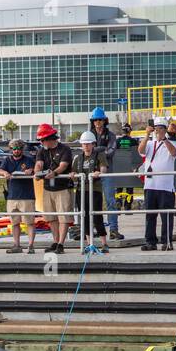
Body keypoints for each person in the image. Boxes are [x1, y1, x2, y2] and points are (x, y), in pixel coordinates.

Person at [139, 116, 176, 250]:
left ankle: (167, 241)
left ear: (165, 129)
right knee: (150, 215)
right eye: (156, 129)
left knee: (166, 215)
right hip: (150, 186)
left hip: (166, 186)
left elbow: (174, 153)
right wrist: (146, 135)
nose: (158, 132)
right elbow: (141, 151)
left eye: (161, 129)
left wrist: (165, 140)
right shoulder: (150, 143)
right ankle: (150, 241)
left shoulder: (172, 143)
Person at [33, 124, 74, 255]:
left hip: (62, 188)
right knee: (51, 218)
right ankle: (55, 241)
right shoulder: (42, 150)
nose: (41, 142)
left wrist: (54, 173)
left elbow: (63, 165)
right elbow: (38, 164)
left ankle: (61, 243)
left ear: (50, 138)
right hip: (47, 189)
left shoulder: (65, 149)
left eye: (42, 140)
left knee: (63, 217)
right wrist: (38, 172)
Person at [0, 138, 37, 252]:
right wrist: (4, 173)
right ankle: (17, 245)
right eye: (14, 149)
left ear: (22, 149)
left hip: (27, 196)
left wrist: (31, 170)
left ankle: (31, 246)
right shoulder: (7, 160)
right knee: (14, 223)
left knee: (30, 222)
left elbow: (36, 170)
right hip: (12, 196)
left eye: (18, 148)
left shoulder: (28, 159)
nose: (16, 151)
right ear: (11, 149)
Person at [72, 132, 109, 253]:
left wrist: (99, 172)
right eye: (84, 144)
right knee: (85, 217)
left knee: (97, 216)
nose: (86, 146)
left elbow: (103, 167)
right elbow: (72, 172)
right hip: (81, 191)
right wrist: (72, 175)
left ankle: (104, 244)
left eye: (88, 144)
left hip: (95, 190)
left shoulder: (99, 155)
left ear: (93, 144)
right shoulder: (77, 158)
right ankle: (89, 244)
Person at [90, 107, 121, 239]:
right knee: (92, 202)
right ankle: (96, 229)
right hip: (92, 173)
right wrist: (101, 149)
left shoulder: (111, 135)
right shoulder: (89, 134)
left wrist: (95, 151)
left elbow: (111, 152)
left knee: (110, 201)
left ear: (104, 120)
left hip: (107, 173)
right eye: (95, 120)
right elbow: (87, 151)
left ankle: (113, 230)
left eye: (100, 119)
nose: (97, 122)